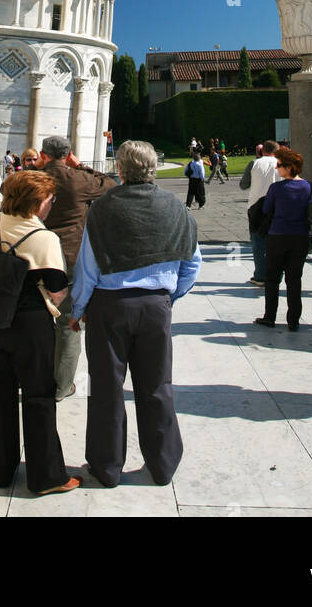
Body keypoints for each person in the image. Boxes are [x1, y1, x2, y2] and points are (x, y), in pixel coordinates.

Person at [70, 140, 202, 488]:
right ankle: (162, 465)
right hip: (155, 306)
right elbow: (193, 261)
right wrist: (170, 295)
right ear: (154, 167)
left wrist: (77, 308)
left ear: (121, 169)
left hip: (109, 307)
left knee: (106, 388)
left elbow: (88, 266)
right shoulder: (175, 207)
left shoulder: (102, 209)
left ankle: (106, 466)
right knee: (157, 385)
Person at [0, 170, 80, 496]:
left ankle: (0, 470)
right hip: (28, 325)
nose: (51, 204)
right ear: (38, 202)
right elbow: (57, 291)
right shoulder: (44, 238)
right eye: (49, 199)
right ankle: (46, 477)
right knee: (39, 396)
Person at [39, 134, 117, 401]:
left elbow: (7, 190)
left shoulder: (33, 177)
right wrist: (79, 164)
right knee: (67, 324)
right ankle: (61, 387)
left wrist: (36, 166)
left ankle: (32, 379)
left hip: (35, 257)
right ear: (68, 154)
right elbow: (110, 183)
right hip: (68, 257)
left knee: (31, 321)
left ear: (43, 154)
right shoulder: (78, 179)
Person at [255, 146, 312, 331]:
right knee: (294, 280)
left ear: (289, 167)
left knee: (272, 279)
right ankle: (293, 320)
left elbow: (266, 210)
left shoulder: (276, 188)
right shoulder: (308, 186)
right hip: (300, 237)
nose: (276, 168)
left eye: (279, 165)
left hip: (277, 236)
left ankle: (270, 316)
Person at [241, 141, 278, 285]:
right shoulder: (282, 162)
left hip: (257, 204)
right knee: (277, 241)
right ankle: (276, 274)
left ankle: (260, 275)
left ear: (262, 151)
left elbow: (244, 185)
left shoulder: (253, 163)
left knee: (258, 241)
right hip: (277, 204)